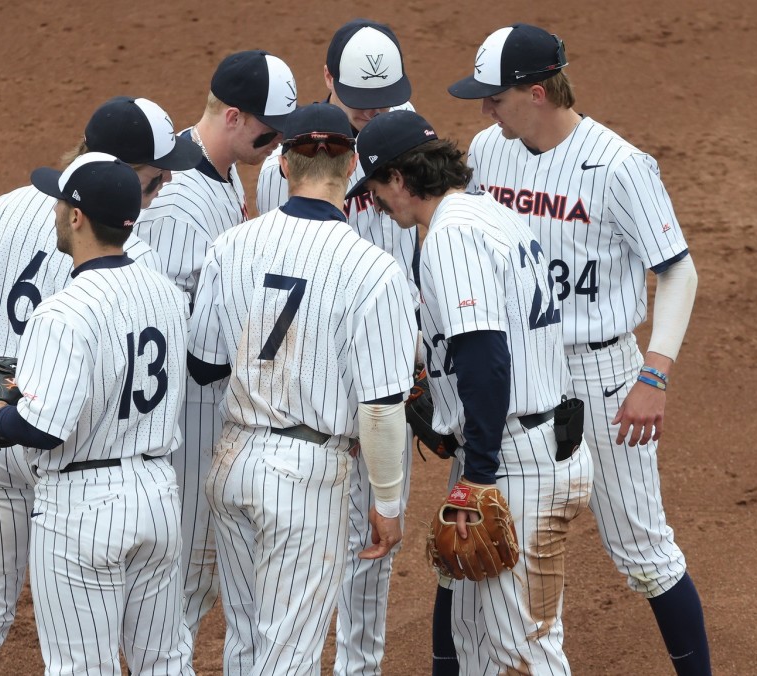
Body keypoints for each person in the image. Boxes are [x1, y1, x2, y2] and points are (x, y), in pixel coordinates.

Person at [448, 23, 710, 674]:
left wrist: (656, 373)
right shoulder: (488, 151)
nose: (484, 111)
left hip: (604, 375)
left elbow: (678, 269)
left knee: (642, 552)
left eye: (495, 97)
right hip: (516, 371)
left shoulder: (618, 166)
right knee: (475, 535)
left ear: (535, 93)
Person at [0, 98, 200, 676]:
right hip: (123, 469)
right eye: (154, 178)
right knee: (162, 657)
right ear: (125, 182)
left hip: (22, 443)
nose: (163, 185)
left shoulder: (4, 210)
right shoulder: (149, 268)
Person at [354, 109, 594, 675]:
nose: (379, 204)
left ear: (397, 180)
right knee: (477, 643)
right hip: (539, 442)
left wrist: (478, 471)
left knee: (525, 651)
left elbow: (486, 356)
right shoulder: (491, 214)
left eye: (376, 189)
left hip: (514, 462)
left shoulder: (452, 237)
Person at [187, 103, 417, 674]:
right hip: (307, 479)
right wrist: (387, 504)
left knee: (244, 641)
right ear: (352, 165)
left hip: (233, 460)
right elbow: (383, 410)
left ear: (285, 165)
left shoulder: (231, 246)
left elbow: (203, 366)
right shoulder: (373, 269)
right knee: (289, 653)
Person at [253, 21, 418, 672]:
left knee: (371, 567)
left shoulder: (414, 151)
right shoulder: (282, 170)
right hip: (308, 398)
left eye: (383, 102)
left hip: (385, 389)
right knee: (294, 559)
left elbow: (421, 268)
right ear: (326, 80)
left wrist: (421, 364)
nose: (373, 115)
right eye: (359, 102)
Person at [132, 49, 296, 654]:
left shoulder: (220, 172)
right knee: (184, 579)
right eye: (267, 130)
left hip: (210, 404)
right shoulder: (178, 201)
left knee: (196, 580)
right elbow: (163, 317)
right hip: (186, 412)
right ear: (232, 116)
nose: (277, 142)